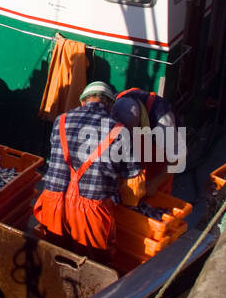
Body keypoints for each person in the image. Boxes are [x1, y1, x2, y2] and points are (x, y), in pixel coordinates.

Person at [33, 80, 144, 256]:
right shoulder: (119, 130)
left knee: (51, 256)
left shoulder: (60, 121)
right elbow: (132, 178)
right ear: (110, 105)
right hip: (91, 211)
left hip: (54, 202)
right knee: (90, 265)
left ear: (83, 101)